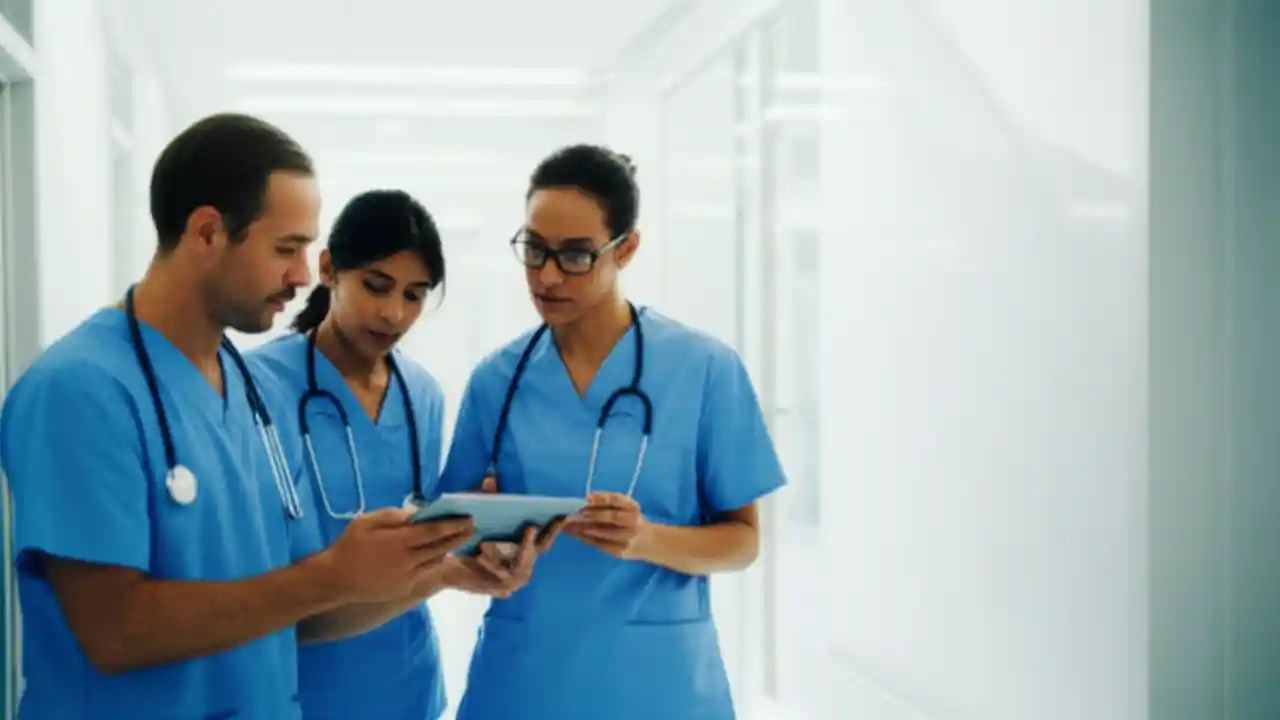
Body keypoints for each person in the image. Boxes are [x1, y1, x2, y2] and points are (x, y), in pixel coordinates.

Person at [0, 114, 475, 719]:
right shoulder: (80, 391)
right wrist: (328, 576)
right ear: (206, 233)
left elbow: (299, 614)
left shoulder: (250, 394)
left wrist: (443, 574)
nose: (304, 276)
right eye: (287, 249)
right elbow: (114, 631)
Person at [437, 144, 787, 719]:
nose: (547, 276)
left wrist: (645, 538)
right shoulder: (497, 380)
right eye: (534, 250)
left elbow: (743, 542)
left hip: (658, 686)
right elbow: (453, 528)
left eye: (576, 256)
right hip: (524, 684)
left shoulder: (702, 368)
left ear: (626, 248)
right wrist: (485, 548)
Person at [249, 189, 553, 719]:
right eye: (376, 286)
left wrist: (485, 547)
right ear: (328, 269)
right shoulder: (256, 388)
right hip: (299, 688)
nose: (394, 313)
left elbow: (427, 547)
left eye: (415, 295)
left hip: (407, 689)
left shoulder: (422, 395)